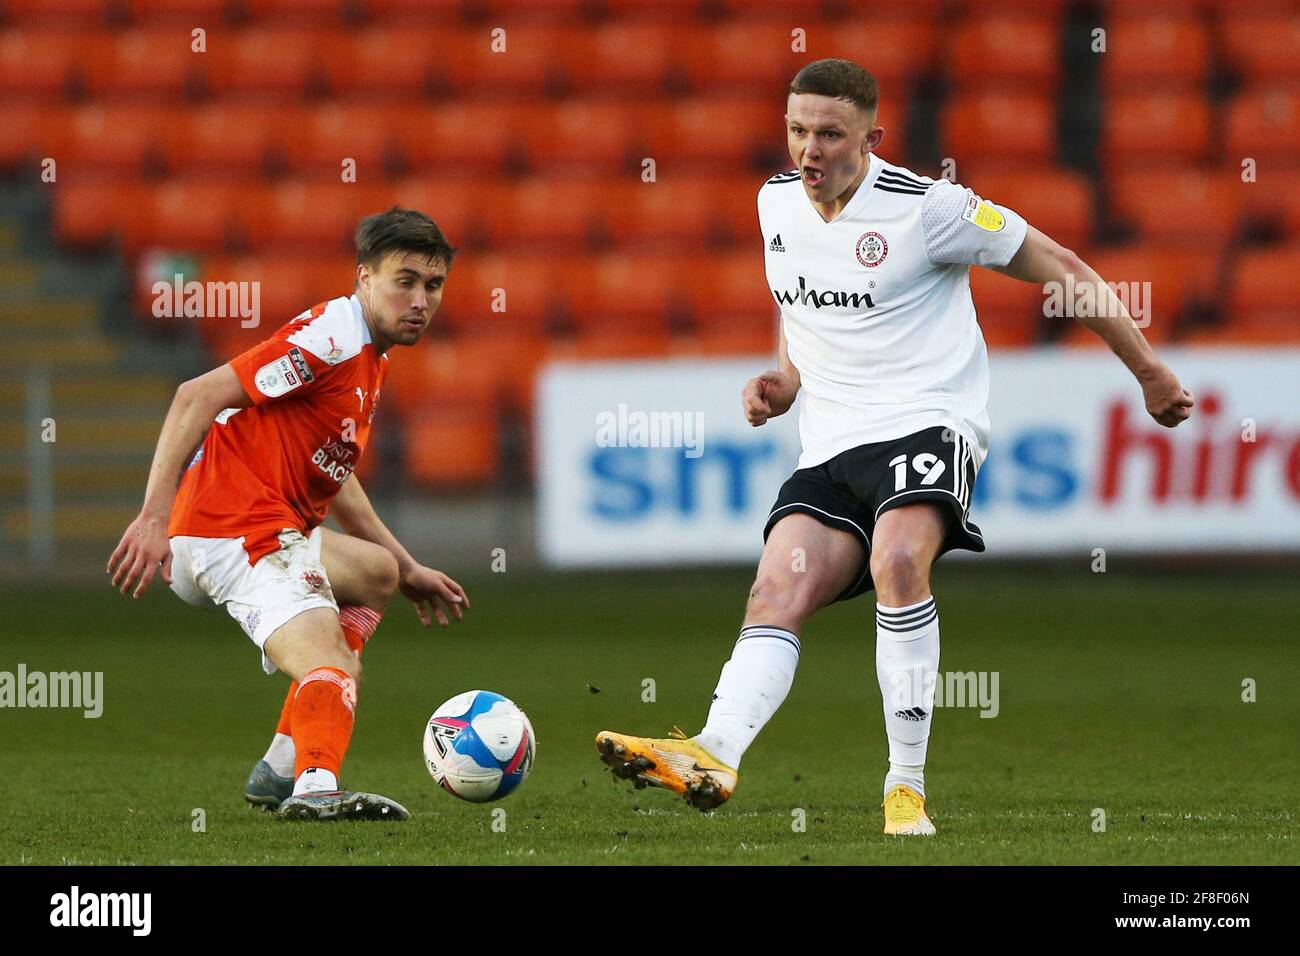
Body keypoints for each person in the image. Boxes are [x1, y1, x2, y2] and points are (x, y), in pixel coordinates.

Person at [596, 59, 1194, 835]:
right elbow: (801, 306)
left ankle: (904, 786)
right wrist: (784, 381)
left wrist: (1147, 371)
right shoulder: (774, 202)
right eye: (797, 131)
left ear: (871, 138)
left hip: (925, 422)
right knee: (775, 591)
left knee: (898, 561)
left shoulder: (931, 210)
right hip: (831, 444)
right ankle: (714, 751)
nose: (809, 150)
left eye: (829, 135)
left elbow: (1063, 268)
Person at [107, 207, 470, 821]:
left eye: (432, 286)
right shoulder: (333, 339)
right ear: (364, 278)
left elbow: (334, 468)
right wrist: (151, 516)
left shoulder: (368, 357)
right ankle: (315, 787)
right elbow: (195, 395)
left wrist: (408, 566)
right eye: (403, 280)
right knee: (330, 662)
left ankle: (280, 767)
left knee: (377, 572)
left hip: (264, 524)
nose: (420, 300)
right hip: (230, 528)